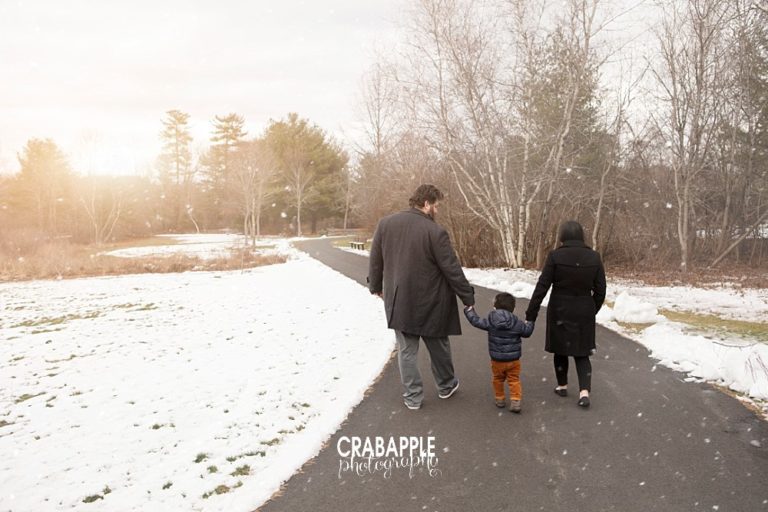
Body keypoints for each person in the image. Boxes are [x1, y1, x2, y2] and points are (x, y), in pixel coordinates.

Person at [368, 184, 475, 410]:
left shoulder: (386, 224)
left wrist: (376, 286)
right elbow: (451, 269)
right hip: (432, 301)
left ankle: (413, 397)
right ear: (426, 204)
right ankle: (446, 385)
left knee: (406, 350)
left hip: (400, 300)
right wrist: (467, 296)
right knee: (438, 345)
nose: (437, 210)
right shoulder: (435, 232)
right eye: (436, 206)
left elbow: (376, 259)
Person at [525, 221, 606, 408]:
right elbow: (601, 289)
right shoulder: (594, 257)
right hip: (584, 309)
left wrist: (532, 313)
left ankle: (562, 386)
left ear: (562, 236)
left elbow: (542, 286)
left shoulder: (555, 256)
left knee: (560, 349)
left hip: (560, 309)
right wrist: (592, 309)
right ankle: (584, 392)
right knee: (582, 352)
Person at [464, 293, 534, 413]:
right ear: (513, 309)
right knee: (514, 379)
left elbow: (476, 321)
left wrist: (469, 311)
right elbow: (527, 332)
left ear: (494, 307)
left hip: (497, 360)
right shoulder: (517, 323)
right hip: (513, 360)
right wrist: (530, 321)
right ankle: (515, 400)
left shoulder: (491, 322)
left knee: (498, 378)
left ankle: (500, 399)